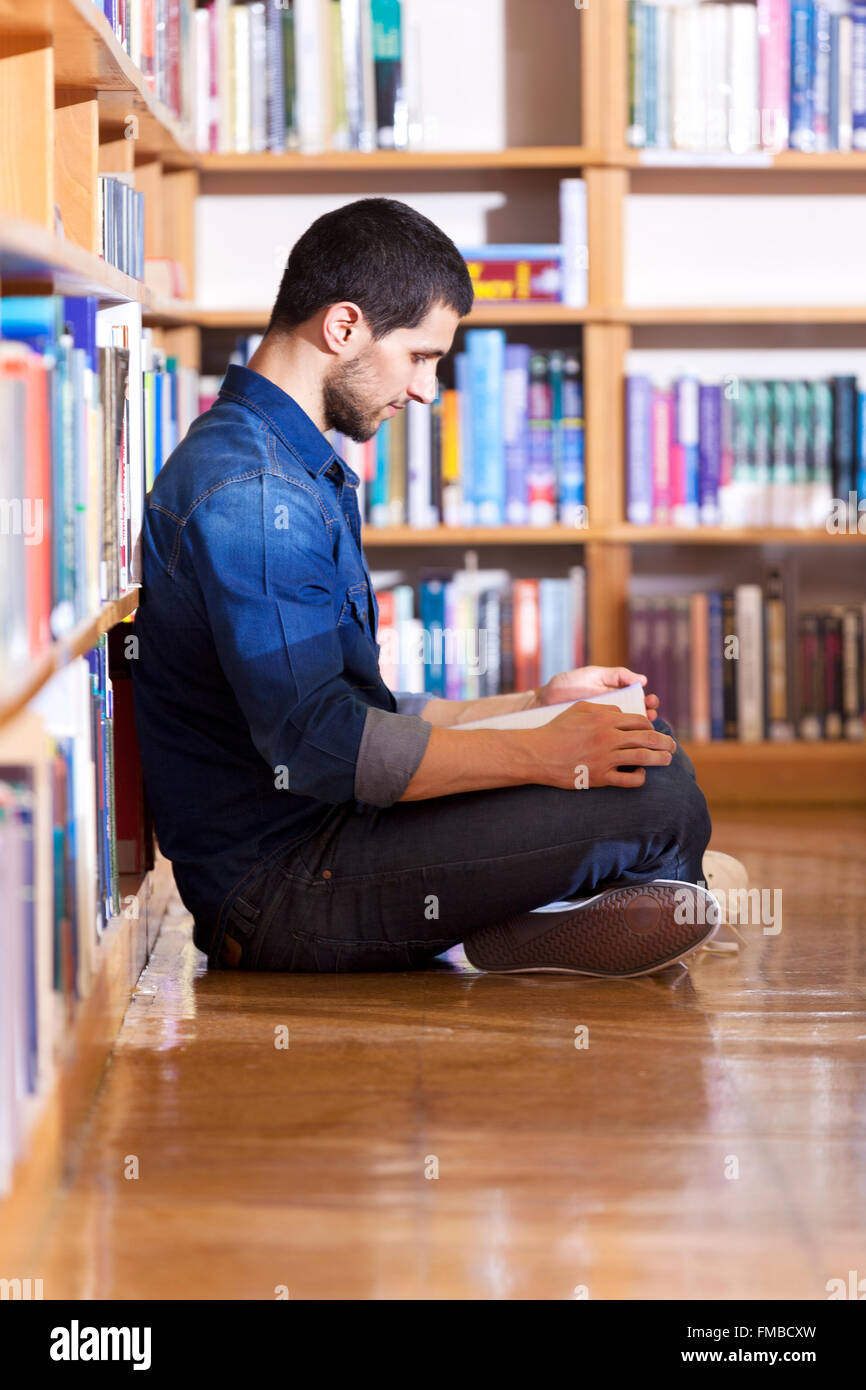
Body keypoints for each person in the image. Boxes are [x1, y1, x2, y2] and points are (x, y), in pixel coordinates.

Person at [131, 196, 740, 978]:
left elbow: (366, 713)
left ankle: (572, 903)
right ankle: (588, 895)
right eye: (421, 356)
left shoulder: (290, 466)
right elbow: (326, 746)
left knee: (653, 766)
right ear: (344, 327)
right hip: (282, 892)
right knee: (657, 803)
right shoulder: (253, 493)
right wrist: (540, 755)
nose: (425, 391)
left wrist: (534, 708)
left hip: (335, 837)